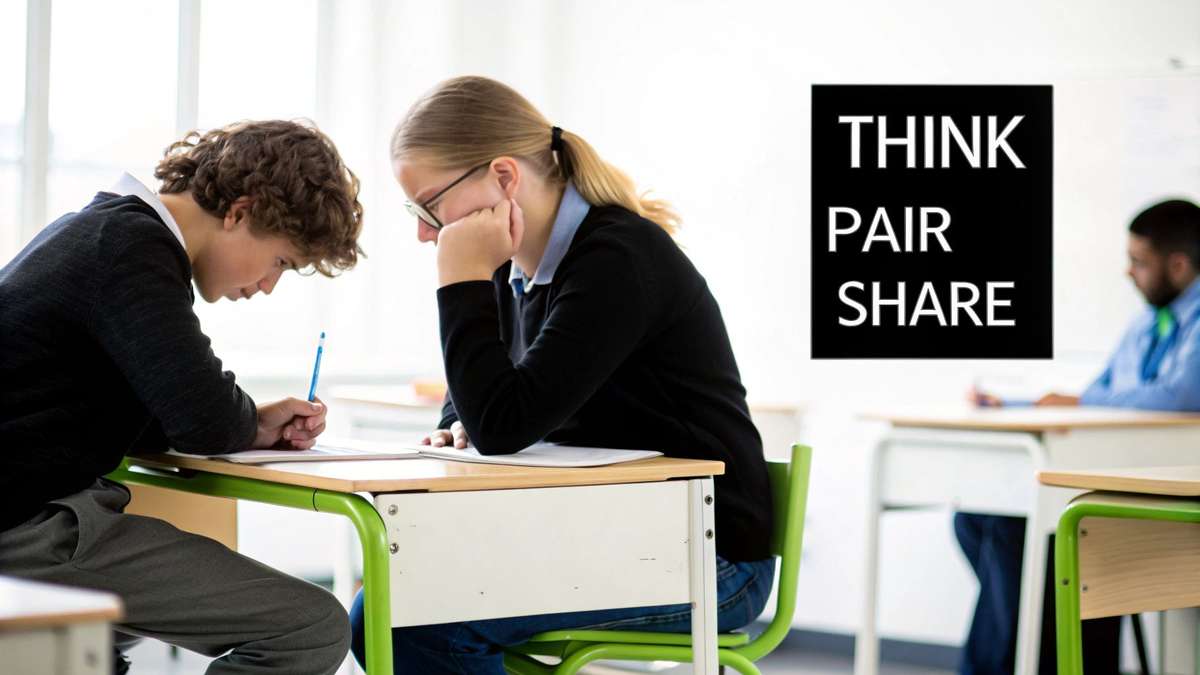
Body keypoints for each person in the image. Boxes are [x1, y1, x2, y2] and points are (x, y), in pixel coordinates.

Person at [347, 75, 775, 673]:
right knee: (389, 608)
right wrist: (455, 421)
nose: (424, 232)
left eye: (429, 206)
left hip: (709, 557)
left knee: (416, 619)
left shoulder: (616, 259)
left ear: (502, 177)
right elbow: (480, 403)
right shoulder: (513, 270)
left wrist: (459, 277)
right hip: (611, 532)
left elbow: (503, 423)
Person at [0, 120, 364, 675]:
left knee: (94, 648)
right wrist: (243, 421)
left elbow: (155, 403)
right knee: (311, 626)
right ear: (241, 212)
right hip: (26, 528)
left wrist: (255, 422)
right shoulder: (131, 249)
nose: (269, 284)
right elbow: (205, 420)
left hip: (28, 512)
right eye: (281, 262)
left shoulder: (103, 229)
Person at [960, 198, 1200, 675]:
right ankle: (1052, 661)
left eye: (1139, 262)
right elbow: (1095, 394)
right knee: (975, 516)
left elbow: (1181, 395)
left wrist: (1080, 404)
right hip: (1116, 471)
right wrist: (1013, 404)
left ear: (1177, 264)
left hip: (1163, 491)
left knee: (1017, 530)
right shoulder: (1146, 323)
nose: (1129, 273)